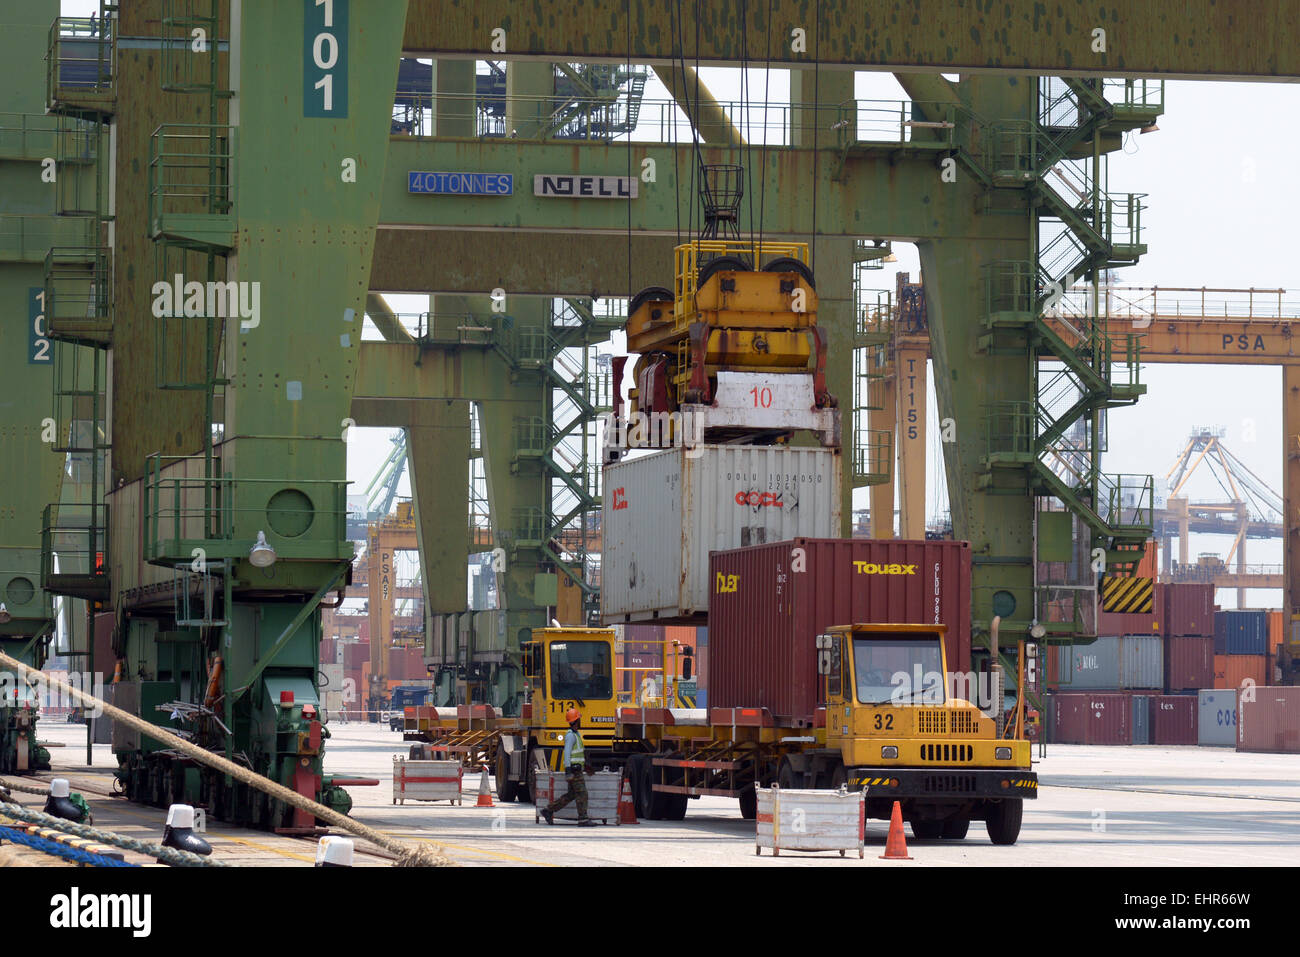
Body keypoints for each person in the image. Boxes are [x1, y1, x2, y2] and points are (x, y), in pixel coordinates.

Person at [541, 709, 596, 826]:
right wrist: (568, 770)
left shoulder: (576, 735)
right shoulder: (571, 736)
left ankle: (548, 810)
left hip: (577, 769)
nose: (580, 721)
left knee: (571, 795)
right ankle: (583, 819)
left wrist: (585, 766)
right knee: (582, 794)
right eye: (579, 719)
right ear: (576, 721)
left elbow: (578, 754)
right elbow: (567, 753)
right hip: (574, 771)